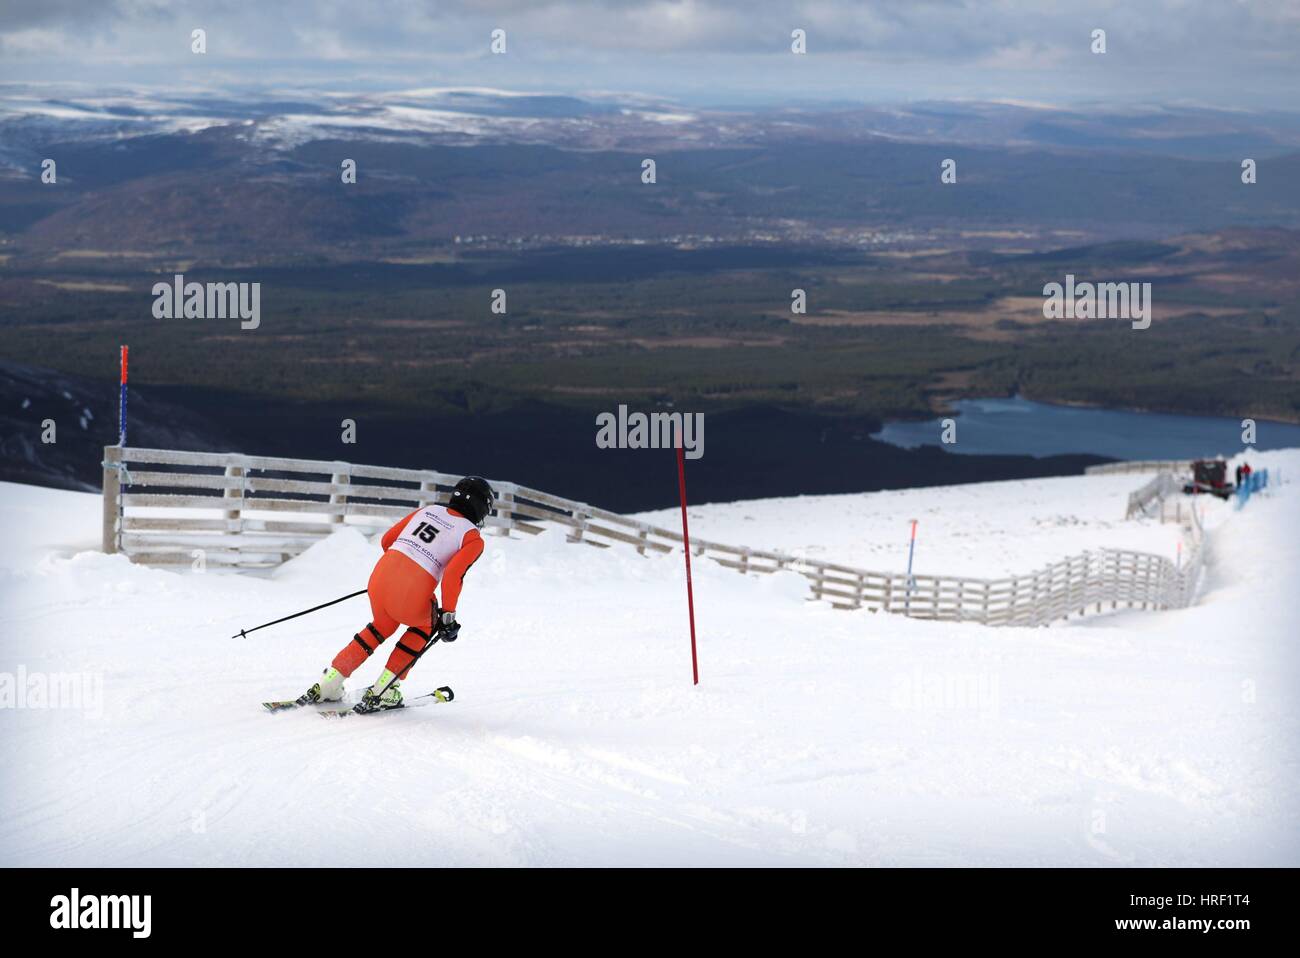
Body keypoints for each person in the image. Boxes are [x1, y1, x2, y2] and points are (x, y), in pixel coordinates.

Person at [301, 476, 496, 712]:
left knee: (380, 627)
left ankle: (329, 683)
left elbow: (387, 541)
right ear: (481, 508)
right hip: (410, 595)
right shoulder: (473, 538)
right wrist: (447, 617)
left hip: (379, 579)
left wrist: (399, 572)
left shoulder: (429, 510)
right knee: (426, 625)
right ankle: (385, 689)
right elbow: (453, 576)